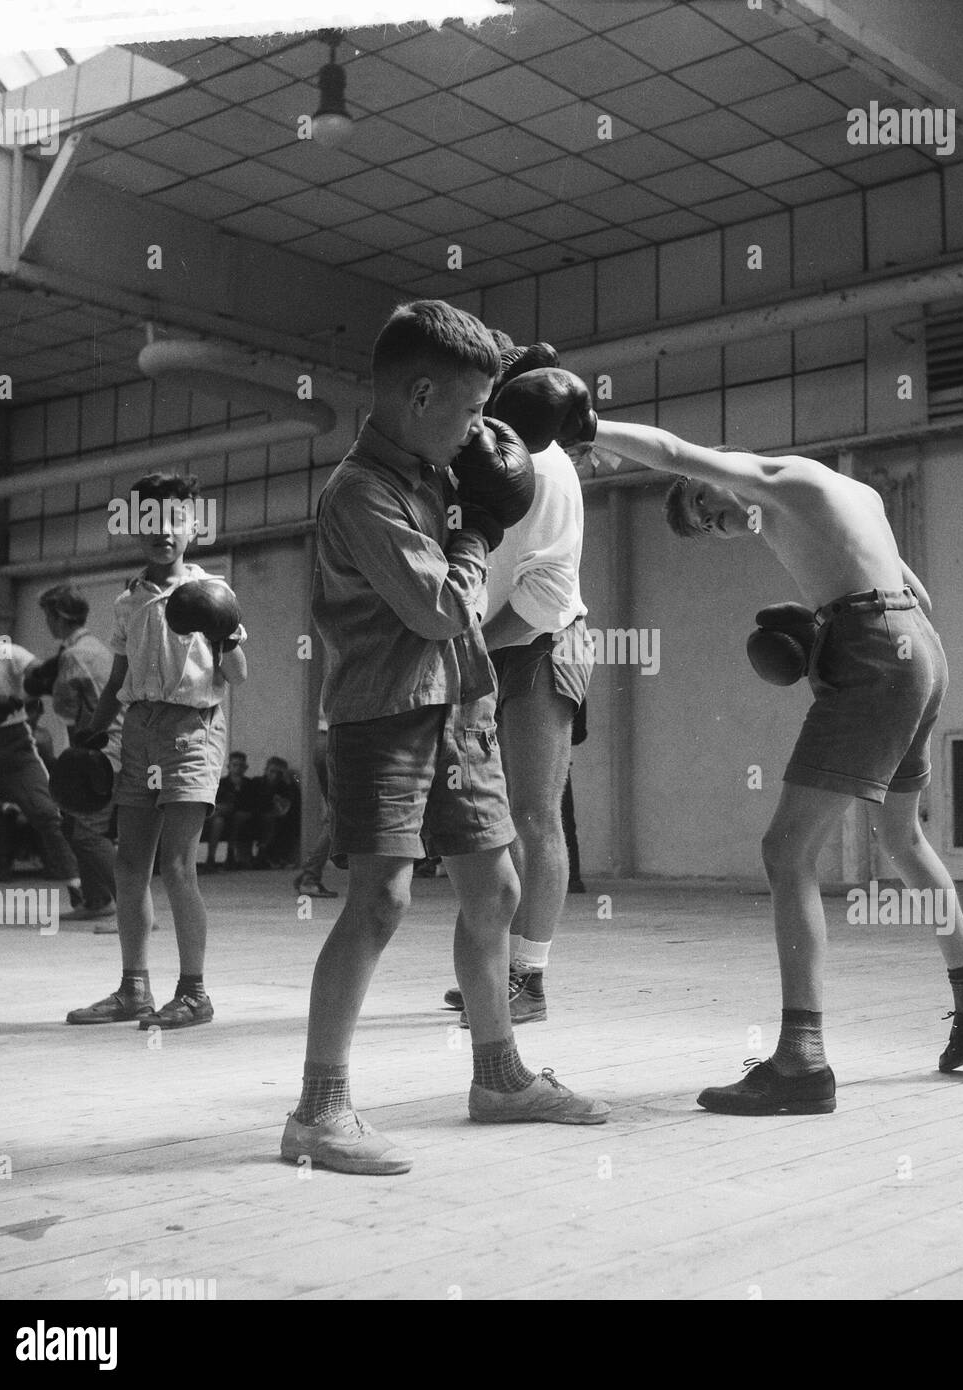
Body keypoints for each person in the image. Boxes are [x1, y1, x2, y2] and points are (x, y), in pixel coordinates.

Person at [496, 371, 963, 1114]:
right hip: (915, 648)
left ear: (727, 466)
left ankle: (800, 1063)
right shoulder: (852, 497)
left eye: (708, 500)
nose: (715, 516)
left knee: (785, 852)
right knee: (901, 838)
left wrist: (586, 430)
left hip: (875, 652)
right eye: (706, 525)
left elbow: (677, 450)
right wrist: (827, 629)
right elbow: (919, 599)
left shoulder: (776, 476)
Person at [282, 299, 607, 1178]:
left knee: (495, 887)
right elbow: (437, 609)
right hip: (386, 712)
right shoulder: (361, 492)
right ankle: (317, 1112)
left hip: (459, 705)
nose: (478, 431)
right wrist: (478, 532)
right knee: (379, 901)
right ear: (419, 395)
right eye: (468, 411)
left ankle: (499, 1078)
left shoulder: (433, 464)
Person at [443, 332, 594, 1029]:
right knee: (486, 820)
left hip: (541, 641)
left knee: (534, 815)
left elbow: (539, 600)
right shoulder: (471, 458)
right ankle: (494, 962)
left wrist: (464, 647)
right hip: (484, 643)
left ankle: (527, 981)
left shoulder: (552, 471)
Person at [65, 473, 248, 1029]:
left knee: (176, 864)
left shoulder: (213, 593)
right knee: (128, 864)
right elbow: (120, 674)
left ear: (192, 527)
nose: (163, 532)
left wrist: (227, 632)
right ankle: (133, 989)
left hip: (193, 730)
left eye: (173, 520)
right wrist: (94, 732)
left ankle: (194, 992)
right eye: (151, 522)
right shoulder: (127, 601)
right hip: (138, 730)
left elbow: (238, 675)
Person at [0, 600, 83, 901]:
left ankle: (77, 886)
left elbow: (39, 674)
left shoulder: (4, 652)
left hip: (14, 746)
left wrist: (48, 670)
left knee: (46, 813)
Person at [33, 583, 121, 926]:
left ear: (57, 617)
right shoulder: (96, 647)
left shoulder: (73, 656)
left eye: (47, 616)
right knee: (77, 824)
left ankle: (135, 911)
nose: (46, 623)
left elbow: (67, 712)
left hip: (103, 751)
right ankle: (97, 900)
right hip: (111, 747)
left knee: (88, 833)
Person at [294, 702, 338, 898]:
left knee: (336, 814)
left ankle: (309, 875)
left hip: (324, 738)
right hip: (340, 740)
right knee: (338, 815)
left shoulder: (335, 672)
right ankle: (310, 877)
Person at [202, 751, 256, 871]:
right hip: (223, 815)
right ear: (228, 767)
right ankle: (211, 858)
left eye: (241, 765)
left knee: (238, 818)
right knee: (218, 821)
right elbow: (215, 801)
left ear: (245, 767)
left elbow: (252, 803)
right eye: (235, 765)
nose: (238, 769)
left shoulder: (250, 784)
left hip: (240, 816)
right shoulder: (221, 783)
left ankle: (231, 854)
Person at [253, 756, 300, 868]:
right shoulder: (257, 782)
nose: (274, 775)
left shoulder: (284, 786)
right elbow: (255, 802)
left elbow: (296, 803)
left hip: (278, 817)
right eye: (272, 771)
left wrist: (289, 781)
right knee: (270, 821)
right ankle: (264, 855)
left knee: (289, 822)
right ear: (266, 770)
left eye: (278, 773)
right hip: (257, 815)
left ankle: (273, 857)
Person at [563, 697, 587, 895]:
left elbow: (579, 733)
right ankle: (573, 878)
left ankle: (573, 878)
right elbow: (580, 734)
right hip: (560, 760)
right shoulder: (574, 688)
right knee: (565, 822)